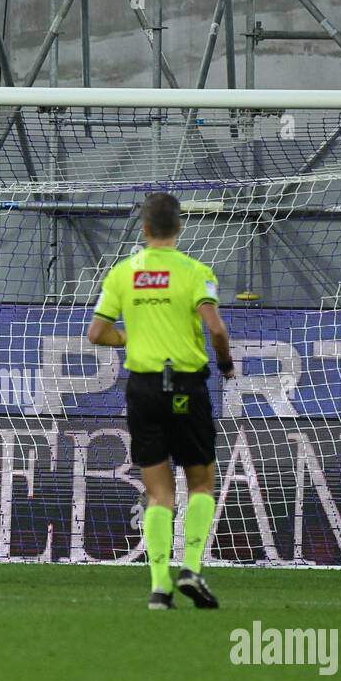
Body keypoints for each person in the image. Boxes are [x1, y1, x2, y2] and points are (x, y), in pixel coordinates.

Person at [86, 192, 235, 610]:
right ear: (180, 227)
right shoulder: (195, 272)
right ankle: (190, 567)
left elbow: (96, 334)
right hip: (186, 386)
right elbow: (217, 330)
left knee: (157, 493)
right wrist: (224, 364)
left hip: (144, 388)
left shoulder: (122, 274)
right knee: (201, 482)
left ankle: (158, 588)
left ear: (145, 229)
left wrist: (130, 337)